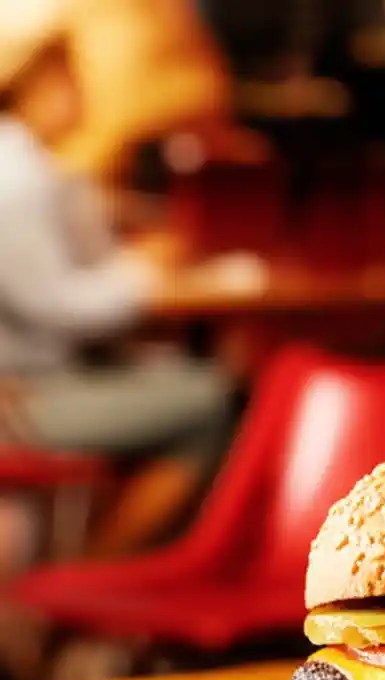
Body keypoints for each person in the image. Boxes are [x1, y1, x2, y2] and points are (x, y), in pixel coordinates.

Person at [0, 2, 230, 564]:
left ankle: (86, 583)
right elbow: (55, 306)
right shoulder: (18, 175)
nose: (83, 97)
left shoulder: (33, 166)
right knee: (211, 400)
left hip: (34, 383)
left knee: (175, 384)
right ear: (37, 87)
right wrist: (144, 275)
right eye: (73, 81)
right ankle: (88, 578)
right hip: (23, 397)